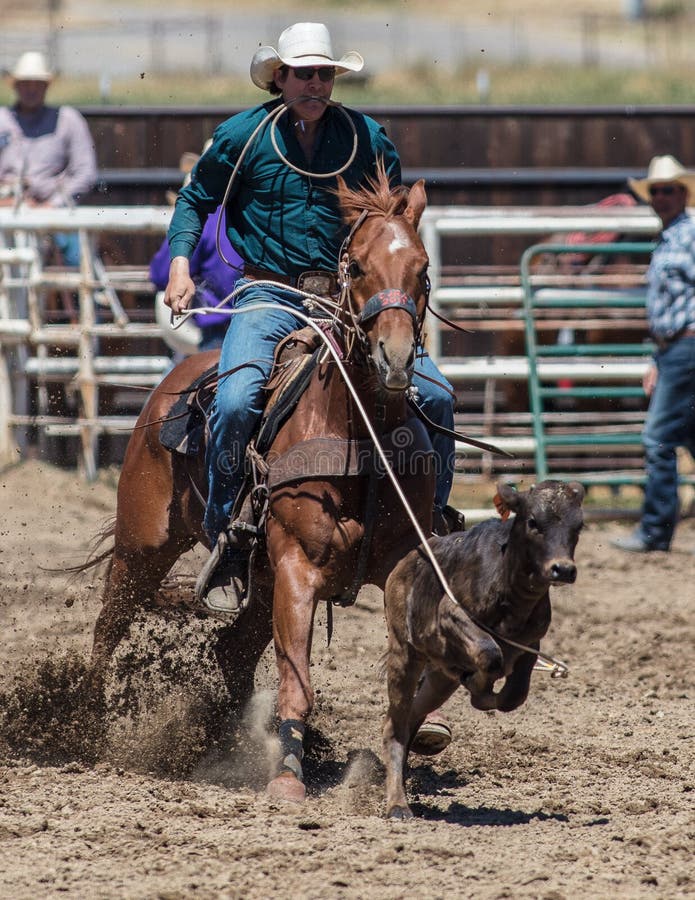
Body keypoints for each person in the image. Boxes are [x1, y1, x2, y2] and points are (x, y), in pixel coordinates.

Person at [164, 22, 456, 615]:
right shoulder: (243, 135)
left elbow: (391, 218)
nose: (316, 84)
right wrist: (179, 265)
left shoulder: (367, 137)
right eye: (304, 73)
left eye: (324, 74)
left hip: (348, 301)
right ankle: (227, 533)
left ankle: (434, 528)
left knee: (439, 395)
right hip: (267, 293)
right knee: (240, 395)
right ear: (281, 77)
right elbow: (197, 199)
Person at [611, 155, 695, 553]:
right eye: (656, 191)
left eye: (668, 191)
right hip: (675, 349)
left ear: (682, 193)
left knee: (658, 438)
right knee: (688, 437)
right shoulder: (672, 237)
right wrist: (657, 358)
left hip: (688, 346)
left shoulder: (690, 233)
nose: (660, 197)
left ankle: (655, 531)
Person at [0, 51, 97, 266]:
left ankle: (86, 298)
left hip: (55, 212)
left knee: (78, 259)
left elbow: (86, 172)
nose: (31, 89)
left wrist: (53, 205)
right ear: (15, 85)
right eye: (26, 83)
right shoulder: (1, 121)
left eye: (38, 83)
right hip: (5, 210)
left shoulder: (68, 120)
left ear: (46, 86)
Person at [150, 146, 243, 354]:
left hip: (219, 333)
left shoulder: (204, 218)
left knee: (178, 379)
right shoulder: (260, 213)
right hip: (271, 325)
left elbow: (160, 274)